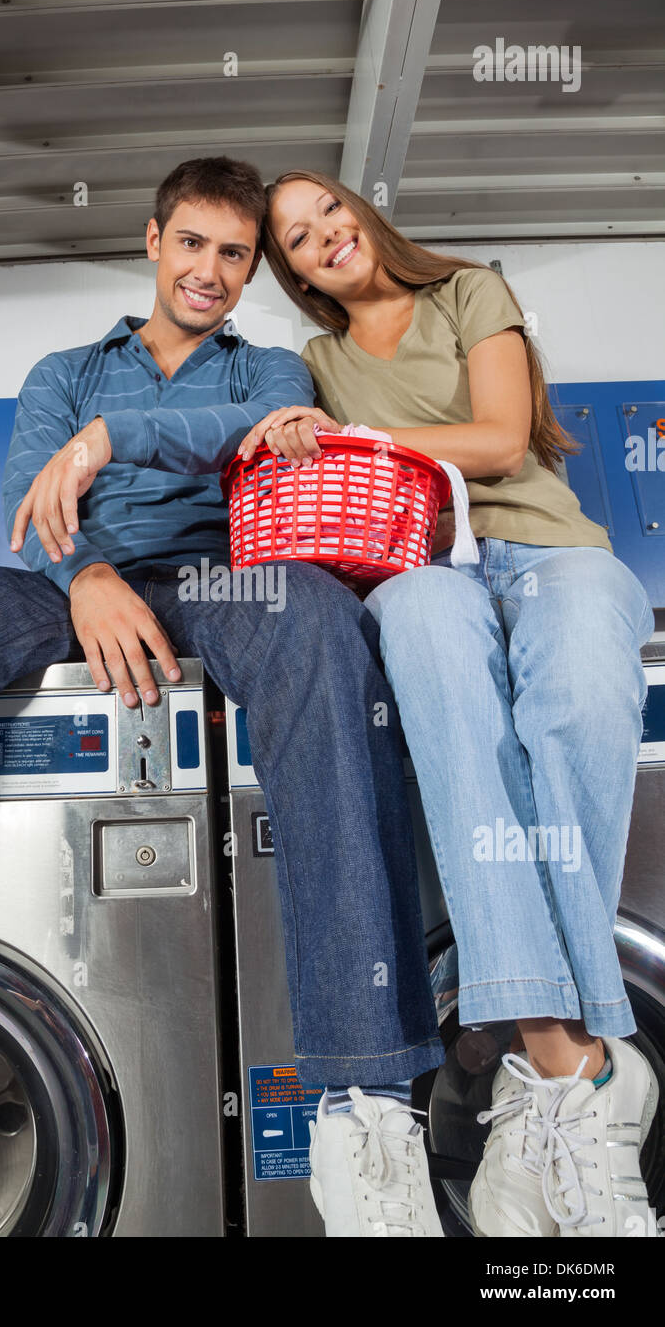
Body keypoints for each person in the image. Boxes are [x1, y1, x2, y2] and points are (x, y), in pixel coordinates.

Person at [0, 157, 446, 1239]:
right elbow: (28, 487)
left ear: (248, 273)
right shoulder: (65, 368)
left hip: (222, 582)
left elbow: (258, 444)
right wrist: (85, 576)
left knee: (319, 617)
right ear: (152, 242)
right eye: (190, 243)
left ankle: (363, 1103)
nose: (208, 269)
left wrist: (127, 443)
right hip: (74, 587)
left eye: (233, 254)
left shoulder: (272, 370)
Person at [236, 168, 660, 1238]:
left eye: (328, 210)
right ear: (291, 271)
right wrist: (284, 434)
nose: (322, 235)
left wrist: (354, 444)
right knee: (454, 720)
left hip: (544, 552)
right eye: (295, 236)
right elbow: (306, 479)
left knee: (566, 716)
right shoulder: (317, 363)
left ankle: (549, 1073)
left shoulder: (470, 291)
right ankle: (581, 1074)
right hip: (423, 568)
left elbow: (501, 437)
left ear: (361, 212)